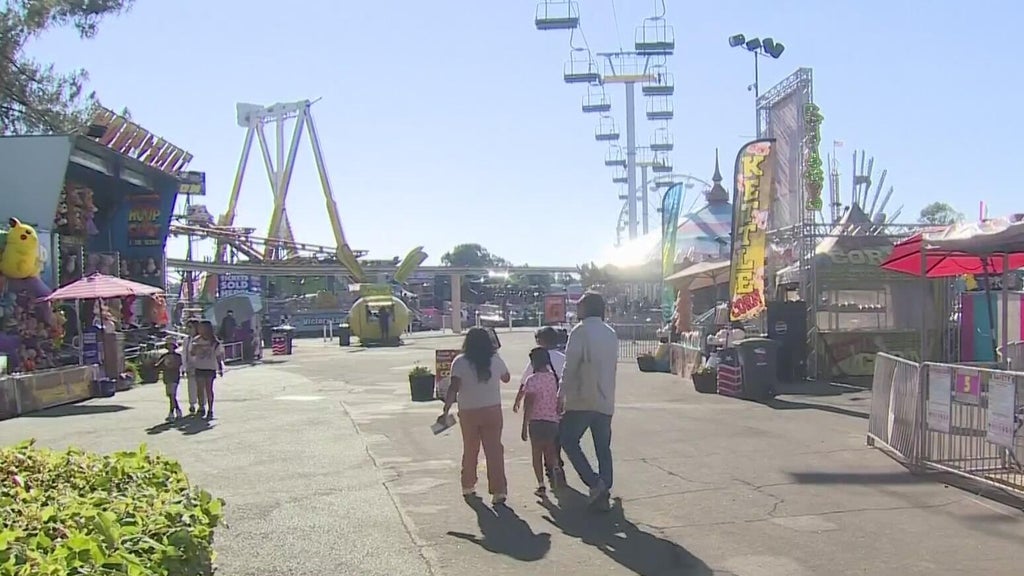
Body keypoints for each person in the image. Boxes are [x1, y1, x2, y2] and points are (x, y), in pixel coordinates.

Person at [438, 327, 512, 505]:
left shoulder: (460, 362)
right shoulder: (494, 359)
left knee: (471, 449)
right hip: (492, 410)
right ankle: (499, 490)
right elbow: (507, 378)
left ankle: (468, 485)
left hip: (468, 411)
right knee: (494, 450)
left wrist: (446, 410)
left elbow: (453, 388)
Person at [560, 291, 618, 511]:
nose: (577, 310)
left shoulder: (580, 331)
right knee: (603, 446)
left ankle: (594, 483)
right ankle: (605, 484)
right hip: (606, 397)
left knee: (568, 439)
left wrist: (561, 392)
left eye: (579, 306)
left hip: (583, 397)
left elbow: (570, 365)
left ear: (587, 308)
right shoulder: (610, 333)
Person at [513, 327, 567, 483]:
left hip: (538, 416)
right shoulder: (563, 358)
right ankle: (557, 465)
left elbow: (525, 383)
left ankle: (546, 475)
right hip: (558, 408)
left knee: (539, 448)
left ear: (541, 341)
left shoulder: (537, 358)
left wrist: (518, 400)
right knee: (554, 441)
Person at [520, 347, 564, 497]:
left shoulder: (531, 380)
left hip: (537, 421)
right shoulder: (554, 379)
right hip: (552, 420)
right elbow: (559, 400)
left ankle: (541, 485)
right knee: (550, 449)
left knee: (537, 453)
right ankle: (556, 467)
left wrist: (524, 426)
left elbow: (529, 404)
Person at [189, 320, 224, 420]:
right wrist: (195, 349)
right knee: (200, 389)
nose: (200, 329)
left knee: (209, 389)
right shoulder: (196, 340)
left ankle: (210, 409)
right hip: (199, 366)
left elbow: (218, 356)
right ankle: (201, 407)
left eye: (202, 328)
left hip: (210, 367)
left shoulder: (214, 342)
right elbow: (192, 353)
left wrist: (220, 367)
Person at [155, 339, 184, 422]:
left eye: (172, 346)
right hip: (167, 377)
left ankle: (171, 412)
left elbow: (179, 365)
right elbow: (159, 366)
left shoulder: (178, 356)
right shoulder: (164, 356)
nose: (170, 348)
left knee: (172, 394)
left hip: (174, 376)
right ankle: (178, 409)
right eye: (168, 346)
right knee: (170, 395)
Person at [183, 319, 205, 416]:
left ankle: (202, 405)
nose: (188, 329)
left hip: (201, 366)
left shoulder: (202, 339)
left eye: (191, 327)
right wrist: (184, 367)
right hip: (190, 366)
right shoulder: (186, 340)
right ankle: (192, 404)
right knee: (191, 386)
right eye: (187, 327)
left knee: (201, 387)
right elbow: (184, 354)